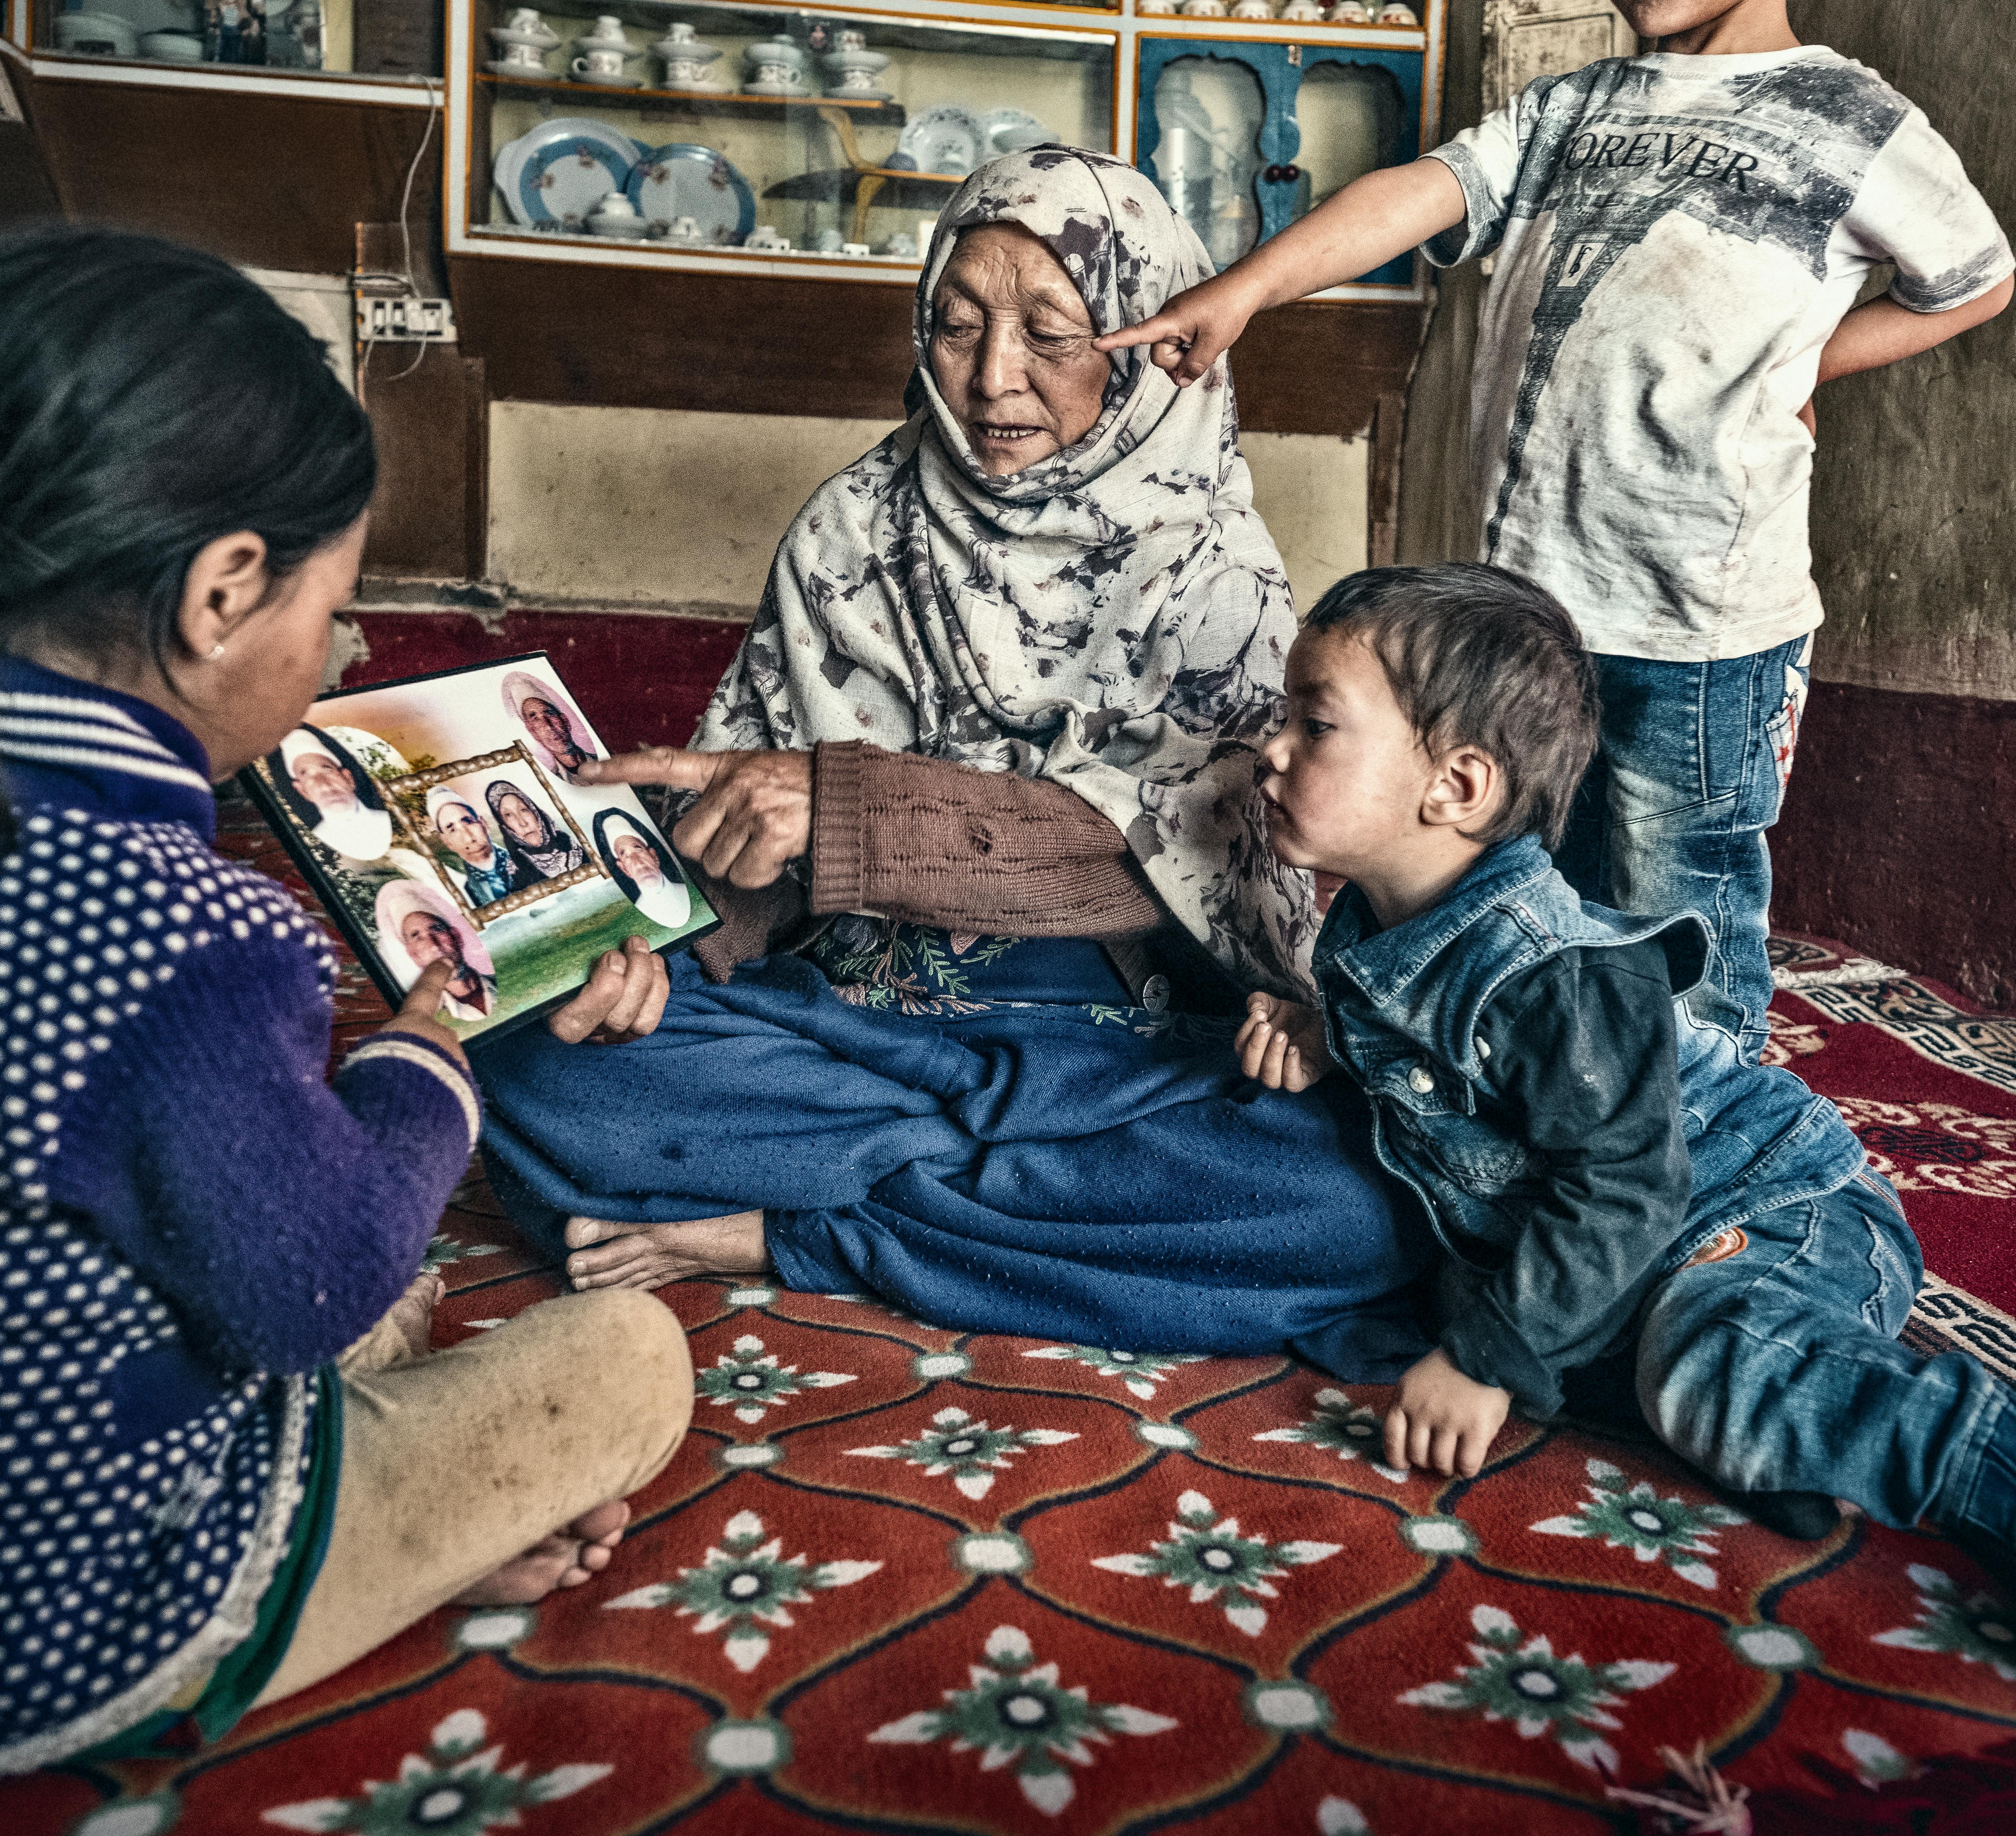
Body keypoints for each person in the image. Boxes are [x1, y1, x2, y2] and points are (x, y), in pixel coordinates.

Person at [0, 226, 693, 1781]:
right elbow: (316, 1281)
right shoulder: (183, 926)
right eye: (335, 611)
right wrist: (419, 1057)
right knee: (626, 1356)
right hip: (72, 1630)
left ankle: (380, 1521)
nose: (338, 649)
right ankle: (349, 1566)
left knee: (304, 1278)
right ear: (223, 592)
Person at [1111, 0, 2016, 1066]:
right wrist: (1247, 287)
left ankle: (1686, 1165)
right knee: (1506, 878)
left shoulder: (1848, 121)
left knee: (1671, 919)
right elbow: (1417, 191)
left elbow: (1974, 280)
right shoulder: (1569, 108)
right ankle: (1498, 1103)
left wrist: (1803, 366)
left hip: (1700, 630)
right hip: (1527, 604)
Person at [470, 147, 1427, 1375]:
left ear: (1143, 345)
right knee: (538, 1069)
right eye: (956, 324)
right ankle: (1008, 1210)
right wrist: (661, 955)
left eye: (1050, 333)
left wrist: (848, 808)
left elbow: (1179, 850)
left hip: (1113, 1047)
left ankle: (799, 1230)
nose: (990, 377)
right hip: (851, 1022)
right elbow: (737, 827)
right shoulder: (852, 531)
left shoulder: (1207, 568)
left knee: (1353, 1200)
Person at [1234, 563, 2016, 1728]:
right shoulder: (1377, 916)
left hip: (1762, 1212)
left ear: (1454, 785)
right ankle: (1775, 1444)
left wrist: (1492, 1356)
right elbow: (1449, 1054)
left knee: (1712, 1363)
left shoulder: (1558, 973)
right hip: (1650, 1235)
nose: (1269, 750)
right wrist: (1322, 1035)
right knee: (1584, 1352)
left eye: (1314, 723)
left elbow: (1620, 1185)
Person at [376, 878, 500, 1019]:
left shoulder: (501, 978)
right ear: (413, 955)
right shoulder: (432, 1017)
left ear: (456, 937)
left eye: (437, 929)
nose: (434, 945)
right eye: (417, 936)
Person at [270, 724, 394, 862]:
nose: (323, 784)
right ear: (302, 791)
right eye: (307, 776)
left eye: (327, 770)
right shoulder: (321, 834)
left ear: (348, 778)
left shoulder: (383, 819)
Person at [587, 804, 693, 929]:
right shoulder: (642, 907)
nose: (638, 862)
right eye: (625, 855)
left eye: (638, 849)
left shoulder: (684, 890)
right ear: (624, 869)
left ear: (654, 856)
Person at [428, 790, 526, 906]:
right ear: (447, 843)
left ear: (484, 824)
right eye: (452, 830)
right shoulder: (465, 892)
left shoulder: (526, 860)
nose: (469, 837)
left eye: (469, 822)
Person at [504, 669, 603, 780]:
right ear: (533, 733)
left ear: (565, 721)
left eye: (550, 714)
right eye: (536, 719)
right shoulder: (554, 780)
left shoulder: (605, 761)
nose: (548, 726)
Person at [486, 776, 584, 880]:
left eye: (524, 810)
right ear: (505, 827)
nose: (522, 823)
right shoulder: (514, 873)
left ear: (536, 812)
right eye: (509, 815)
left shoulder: (573, 842)